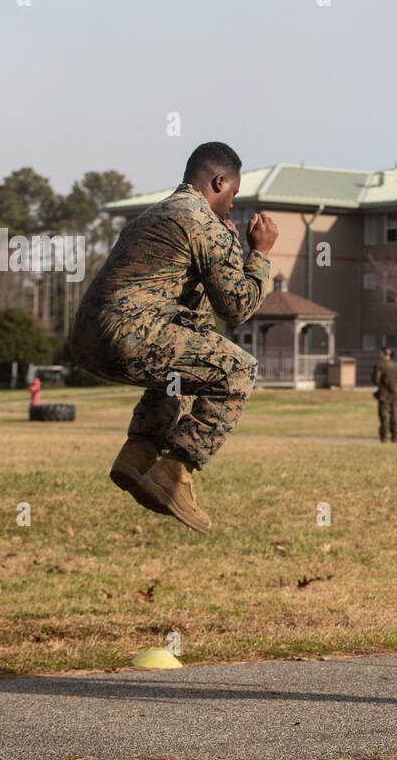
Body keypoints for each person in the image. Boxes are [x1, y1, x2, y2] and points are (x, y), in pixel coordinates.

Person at [71, 141, 279, 534]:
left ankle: (140, 452)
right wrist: (260, 254)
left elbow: (196, 314)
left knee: (186, 366)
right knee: (237, 370)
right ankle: (175, 472)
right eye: (233, 193)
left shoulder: (156, 214)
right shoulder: (201, 221)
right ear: (220, 181)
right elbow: (237, 308)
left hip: (88, 339)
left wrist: (227, 246)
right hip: (129, 334)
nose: (233, 204)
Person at [371, 347, 397, 442]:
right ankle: (395, 436)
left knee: (384, 416)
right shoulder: (396, 365)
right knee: (394, 416)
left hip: (383, 394)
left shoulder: (379, 365)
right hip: (394, 394)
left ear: (383, 354)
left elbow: (375, 380)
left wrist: (381, 385)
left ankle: (384, 437)